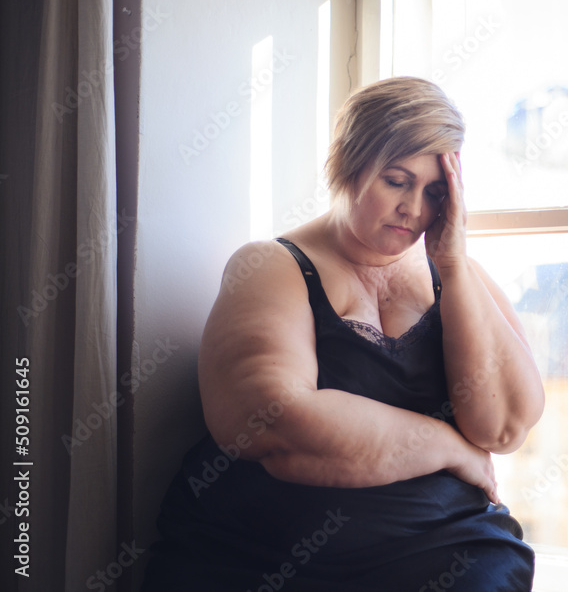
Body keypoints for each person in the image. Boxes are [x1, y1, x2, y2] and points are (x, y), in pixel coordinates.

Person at [143, 77, 545, 591]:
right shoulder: (270, 267)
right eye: (397, 181)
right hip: (260, 552)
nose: (415, 209)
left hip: (441, 543)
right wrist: (447, 446)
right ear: (348, 164)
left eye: (435, 192)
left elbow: (504, 428)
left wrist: (454, 265)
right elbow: (277, 424)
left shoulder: (457, 273)